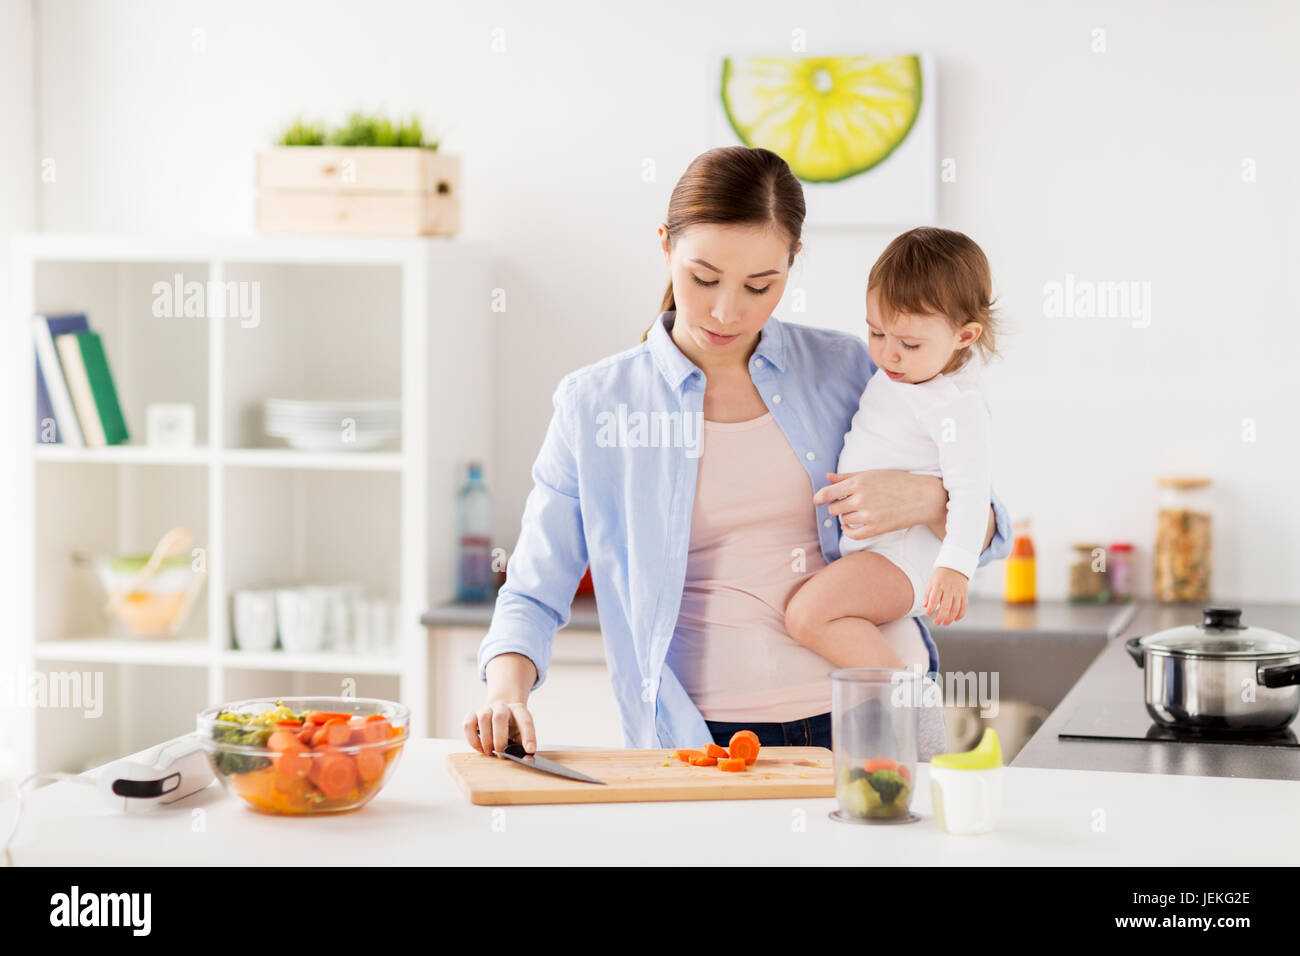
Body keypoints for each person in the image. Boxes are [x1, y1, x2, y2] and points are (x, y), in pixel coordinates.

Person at [466, 146, 1011, 760]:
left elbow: (988, 533)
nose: (728, 311)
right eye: (703, 279)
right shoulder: (596, 406)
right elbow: (535, 587)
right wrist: (505, 690)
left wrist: (922, 499)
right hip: (703, 738)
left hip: (868, 716)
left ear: (792, 262)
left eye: (760, 285)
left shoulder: (852, 368)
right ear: (665, 246)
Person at [784, 227, 999, 670]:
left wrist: (956, 569)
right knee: (828, 622)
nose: (888, 355)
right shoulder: (897, 378)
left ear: (964, 335)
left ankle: (913, 713)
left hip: (906, 560)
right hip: (879, 553)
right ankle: (905, 707)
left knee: (807, 616)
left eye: (910, 344)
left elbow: (973, 495)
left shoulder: (957, 406)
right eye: (876, 333)